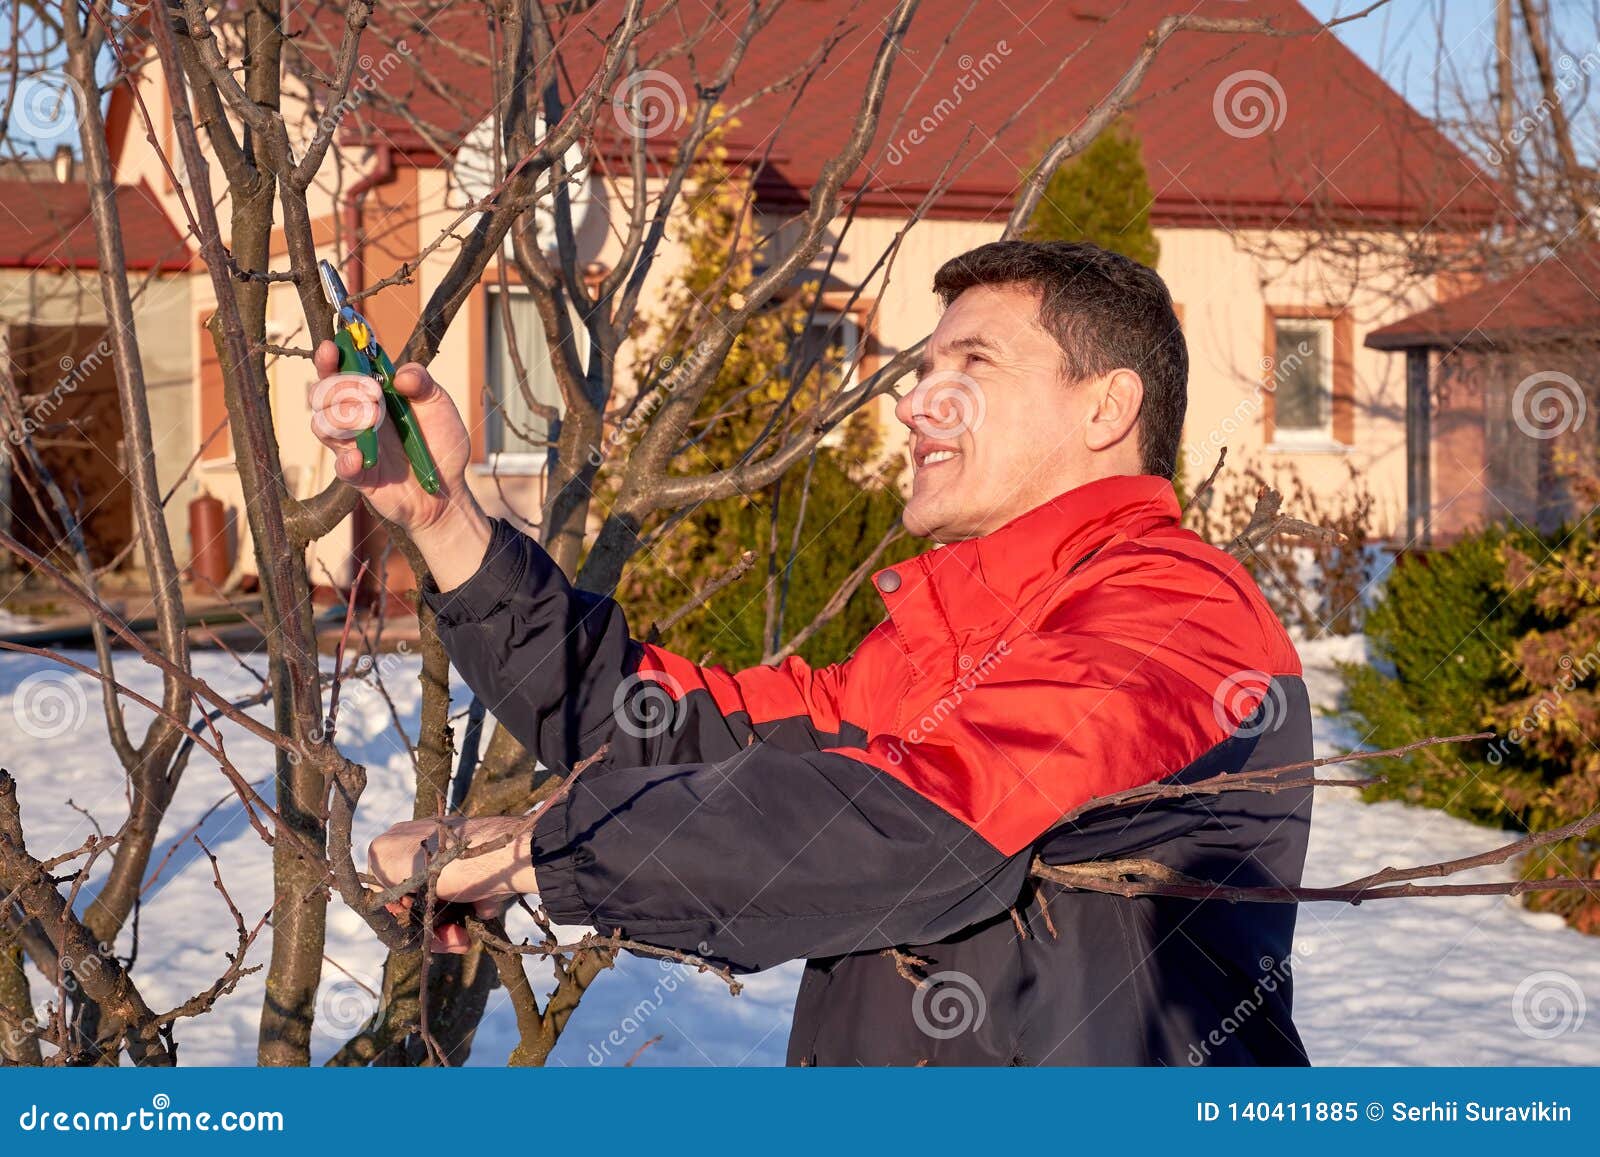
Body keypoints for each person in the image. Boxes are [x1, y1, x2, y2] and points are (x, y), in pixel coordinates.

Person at [308, 240, 1314, 1066]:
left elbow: (914, 824)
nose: (918, 401)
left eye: (971, 366)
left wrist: (537, 850)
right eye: (924, 369)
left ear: (1105, 408)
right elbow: (666, 731)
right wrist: (445, 524)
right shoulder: (954, 645)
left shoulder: (1173, 612)